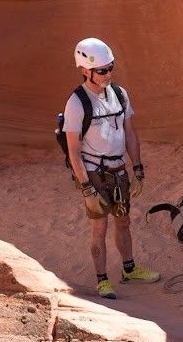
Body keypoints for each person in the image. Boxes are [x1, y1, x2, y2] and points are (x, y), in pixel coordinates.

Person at [63, 37, 160, 299]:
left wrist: (137, 169)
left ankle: (129, 269)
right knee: (99, 228)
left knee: (124, 221)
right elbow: (73, 149)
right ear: (85, 70)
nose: (108, 74)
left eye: (110, 68)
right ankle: (102, 280)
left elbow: (129, 132)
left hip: (119, 172)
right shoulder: (76, 103)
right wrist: (86, 188)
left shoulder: (119, 94)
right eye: (102, 70)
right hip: (95, 174)